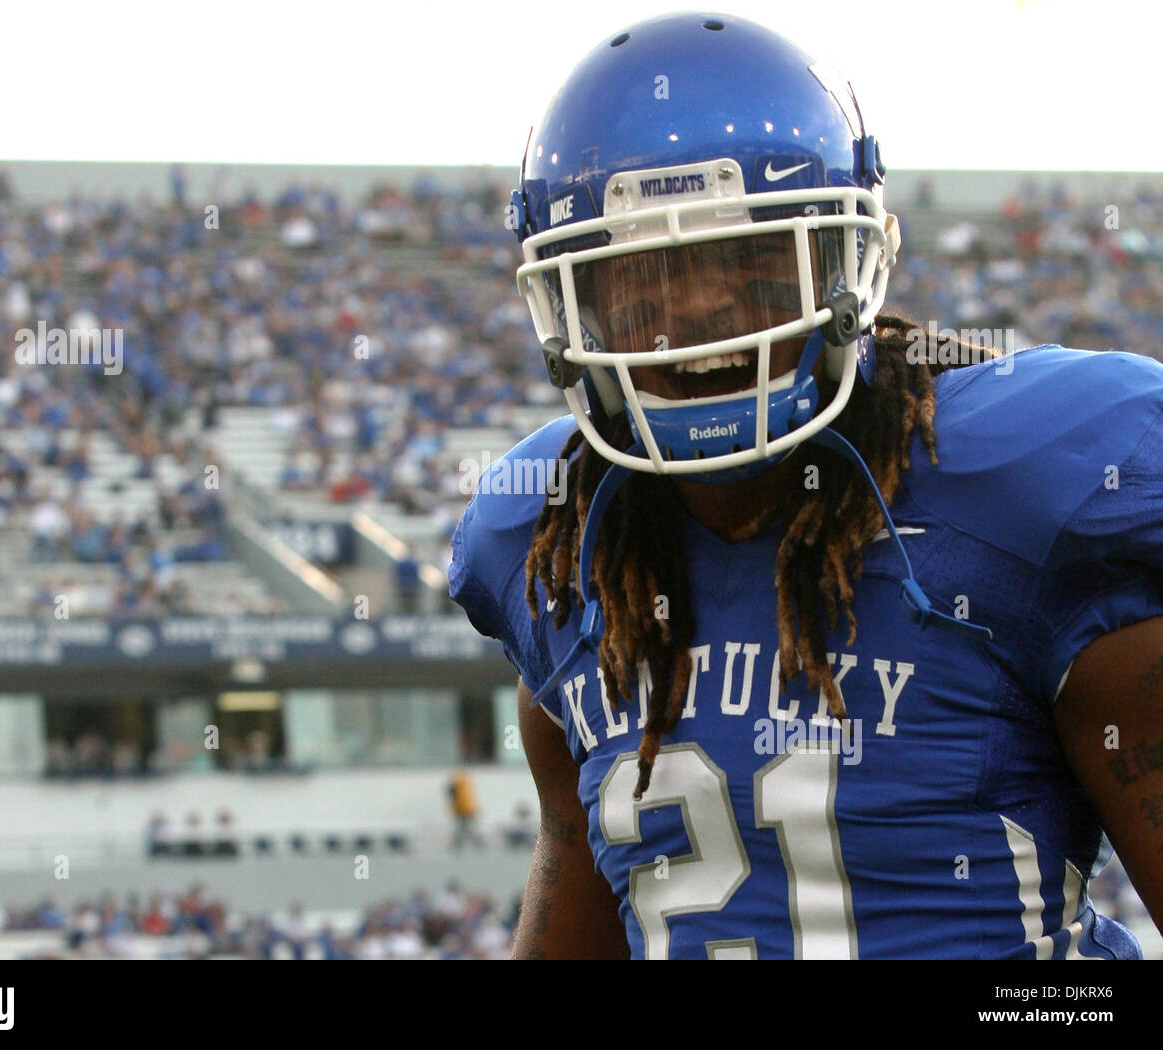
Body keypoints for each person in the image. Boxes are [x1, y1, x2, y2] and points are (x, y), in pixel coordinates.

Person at [449, 13, 1163, 959]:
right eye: (643, 278)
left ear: (847, 265)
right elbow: (577, 884)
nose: (695, 315)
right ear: (567, 307)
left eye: (745, 263)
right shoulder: (554, 546)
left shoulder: (1026, 492)